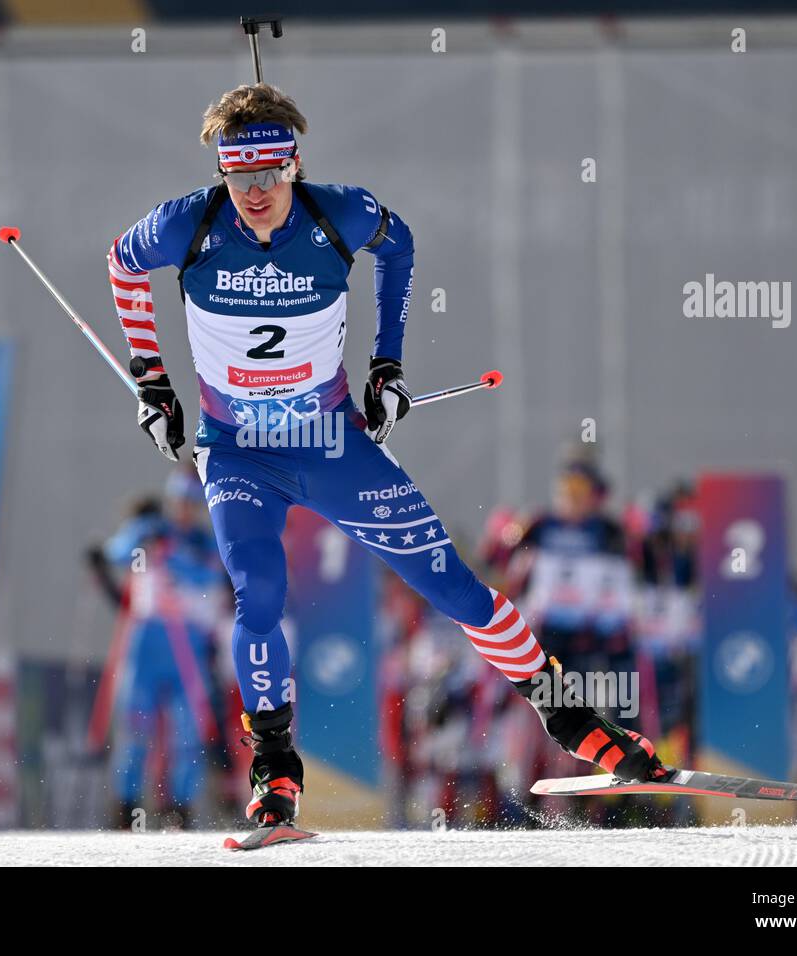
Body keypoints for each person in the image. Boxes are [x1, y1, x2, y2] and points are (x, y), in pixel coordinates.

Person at [104, 83, 665, 829]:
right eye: (240, 178)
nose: (257, 194)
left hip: (333, 445)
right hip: (239, 452)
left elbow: (398, 248)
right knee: (259, 593)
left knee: (456, 589)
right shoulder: (188, 224)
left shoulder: (342, 213)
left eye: (270, 175)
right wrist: (152, 382)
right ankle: (274, 769)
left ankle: (575, 724)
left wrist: (387, 368)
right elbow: (120, 265)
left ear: (294, 165)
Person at [87, 467, 227, 828]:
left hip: (188, 646)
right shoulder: (151, 530)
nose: (185, 510)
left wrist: (176, 557)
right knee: (136, 729)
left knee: (188, 733)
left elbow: (210, 575)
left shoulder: (204, 542)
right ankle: (126, 807)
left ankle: (180, 809)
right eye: (180, 501)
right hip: (146, 642)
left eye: (193, 504)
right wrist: (131, 544)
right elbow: (116, 553)